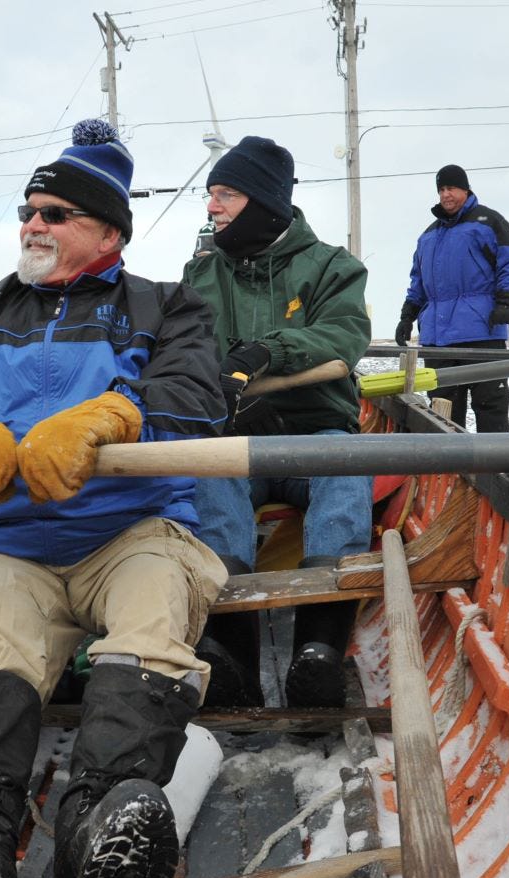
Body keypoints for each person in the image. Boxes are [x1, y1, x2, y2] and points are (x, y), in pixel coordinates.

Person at [0, 121, 227, 878]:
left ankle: (98, 822)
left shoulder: (165, 305)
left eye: (56, 213)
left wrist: (110, 415)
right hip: (6, 538)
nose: (33, 224)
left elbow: (196, 402)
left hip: (132, 527)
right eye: (28, 210)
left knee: (151, 624)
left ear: (108, 232)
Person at [181, 136, 374, 710]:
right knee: (210, 482)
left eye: (226, 194)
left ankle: (319, 651)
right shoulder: (200, 276)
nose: (212, 207)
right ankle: (230, 654)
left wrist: (264, 355)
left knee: (346, 472)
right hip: (237, 436)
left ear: (265, 202)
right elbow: (185, 356)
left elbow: (344, 339)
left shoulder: (335, 268)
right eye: (211, 194)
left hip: (317, 433)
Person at [394, 164, 509, 432]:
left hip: (482, 332)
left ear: (465, 189)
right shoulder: (428, 236)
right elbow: (418, 281)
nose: (446, 195)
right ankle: (451, 470)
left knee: (490, 407)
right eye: (441, 189)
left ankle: (495, 468)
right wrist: (407, 316)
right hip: (438, 339)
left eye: (451, 188)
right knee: (443, 413)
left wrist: (506, 302)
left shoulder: (489, 223)